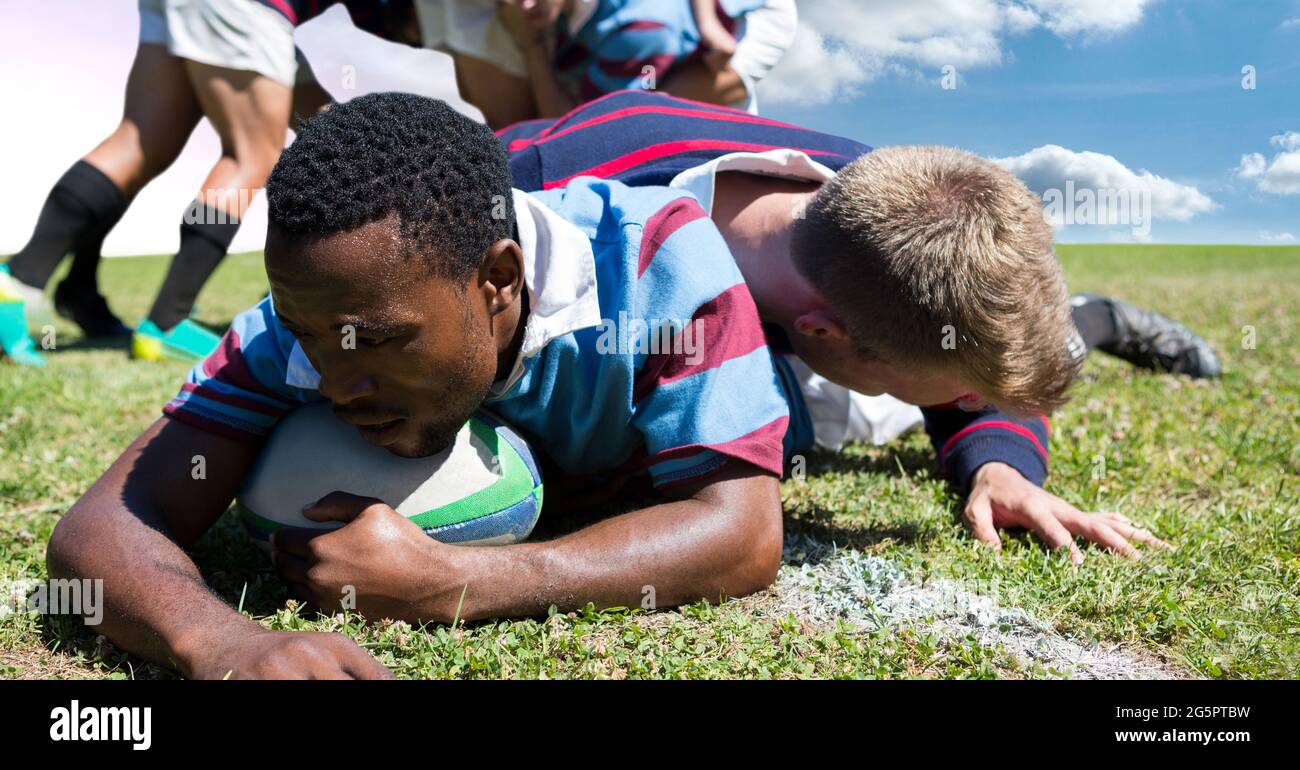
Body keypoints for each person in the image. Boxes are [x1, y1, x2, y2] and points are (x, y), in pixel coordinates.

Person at [47, 93, 792, 679]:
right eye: (311, 337)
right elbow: (104, 526)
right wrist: (218, 641)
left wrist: (456, 582)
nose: (337, 381)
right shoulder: (295, 329)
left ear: (498, 280)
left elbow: (741, 533)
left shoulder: (659, 270)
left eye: (375, 341)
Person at [501, 90, 1221, 559]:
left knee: (870, 411)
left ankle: (1086, 319)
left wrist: (1000, 460)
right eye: (952, 393)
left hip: (809, 361)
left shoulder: (901, 215)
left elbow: (967, 342)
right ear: (826, 334)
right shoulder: (540, 196)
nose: (963, 401)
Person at [0, 0, 415, 367]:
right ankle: (167, 320)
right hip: (251, 8)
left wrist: (364, 142)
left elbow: (313, 103)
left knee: (140, 143)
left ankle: (19, 280)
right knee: (250, 156)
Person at [414, 0, 795, 129]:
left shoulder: (634, 35)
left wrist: (532, 47)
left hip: (742, 32)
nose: (521, 4)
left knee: (631, 121)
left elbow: (574, 128)